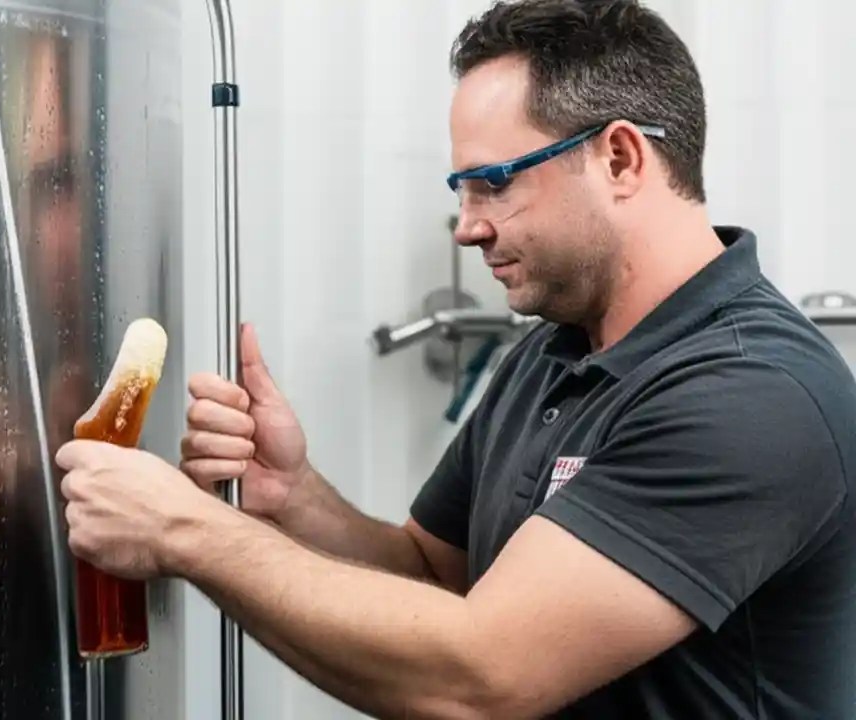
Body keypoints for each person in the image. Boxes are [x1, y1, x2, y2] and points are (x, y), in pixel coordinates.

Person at [56, 0, 856, 717]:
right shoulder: (551, 353)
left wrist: (187, 531)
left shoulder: (750, 396)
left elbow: (481, 677)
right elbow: (433, 579)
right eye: (460, 190)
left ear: (619, 160)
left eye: (493, 184)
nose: (467, 227)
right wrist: (296, 499)